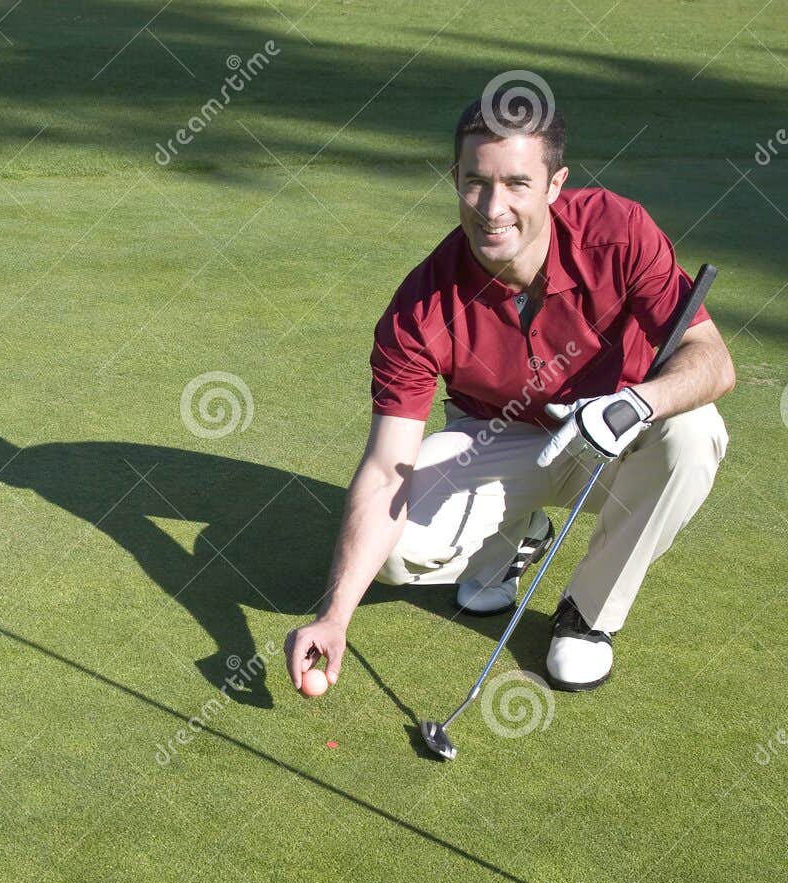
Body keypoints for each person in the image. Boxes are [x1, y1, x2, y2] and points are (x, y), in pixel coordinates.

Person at [286, 91, 736, 694]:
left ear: (555, 185)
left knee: (695, 429)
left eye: (518, 183)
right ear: (455, 179)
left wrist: (637, 403)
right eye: (476, 182)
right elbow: (384, 469)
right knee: (392, 555)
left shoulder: (619, 230)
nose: (493, 208)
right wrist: (335, 615)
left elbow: (714, 361)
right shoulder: (421, 304)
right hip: (492, 443)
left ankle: (587, 616)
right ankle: (515, 536)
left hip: (612, 437)